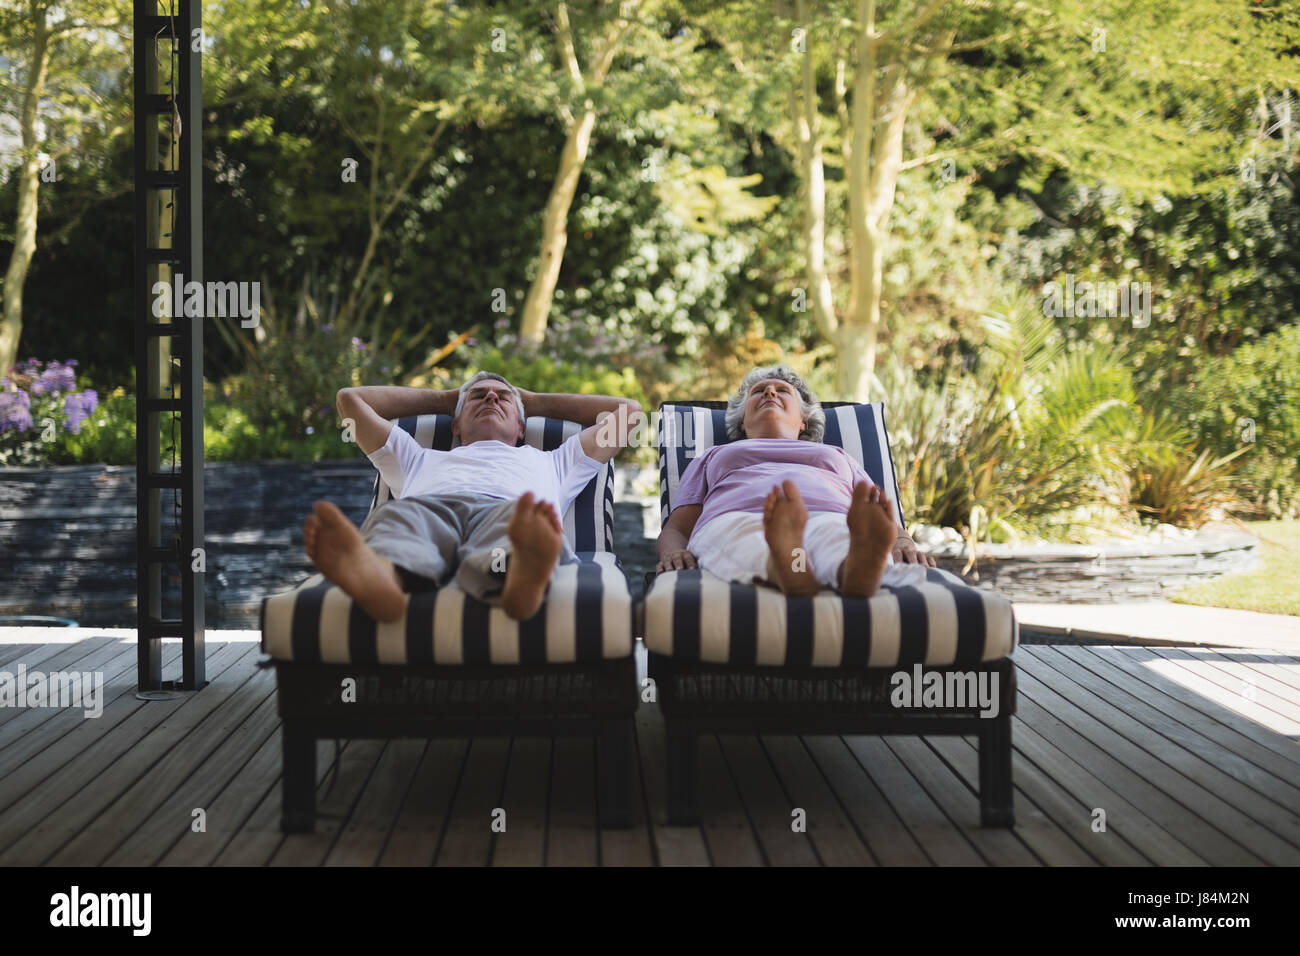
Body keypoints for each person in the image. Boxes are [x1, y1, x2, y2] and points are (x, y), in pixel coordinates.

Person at [303, 372, 640, 622]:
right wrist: (445, 399)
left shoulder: (557, 461)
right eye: (478, 397)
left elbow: (630, 413)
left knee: (519, 527)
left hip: (509, 512)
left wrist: (531, 400)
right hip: (428, 510)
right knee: (394, 517)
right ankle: (383, 582)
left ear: (522, 428)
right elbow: (349, 400)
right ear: (456, 426)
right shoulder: (415, 457)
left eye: (502, 398)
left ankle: (522, 579)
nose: (491, 398)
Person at [655, 365, 935, 598]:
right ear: (741, 422)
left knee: (838, 536)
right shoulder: (715, 455)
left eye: (782, 391)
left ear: (803, 420)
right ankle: (786, 564)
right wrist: (673, 552)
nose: (769, 392)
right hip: (738, 517)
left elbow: (875, 511)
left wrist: (901, 541)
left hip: (831, 517)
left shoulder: (836, 455)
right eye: (758, 392)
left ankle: (854, 569)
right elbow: (677, 527)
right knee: (744, 539)